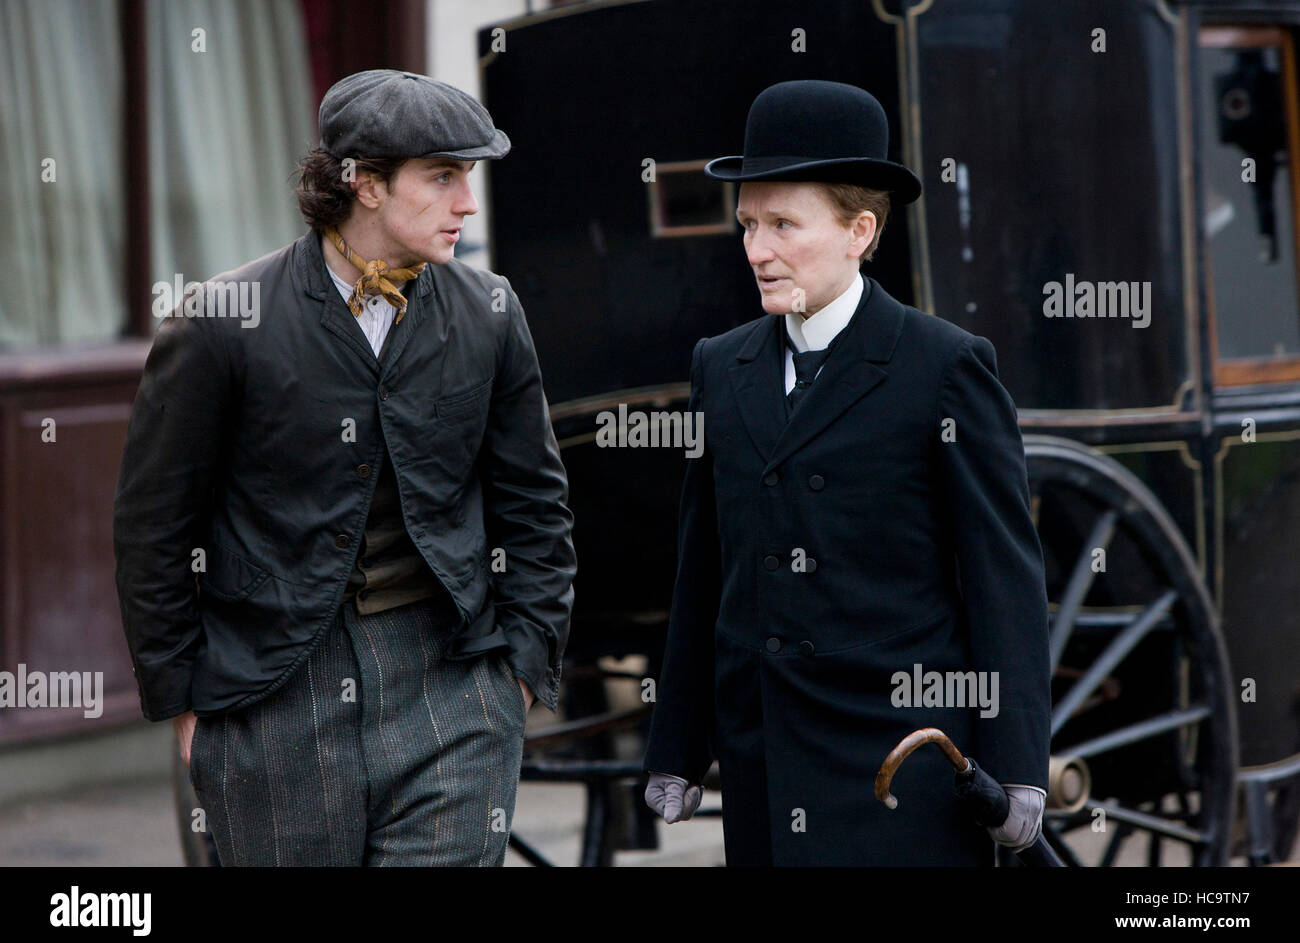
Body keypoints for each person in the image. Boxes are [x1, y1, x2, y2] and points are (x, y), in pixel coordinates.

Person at [113, 70, 576, 866]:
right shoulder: (223, 322)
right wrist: (188, 705)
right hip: (275, 696)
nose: (468, 202)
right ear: (362, 182)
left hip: (453, 684)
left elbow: (535, 503)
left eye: (468, 176)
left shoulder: (489, 312)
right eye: (442, 177)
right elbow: (154, 528)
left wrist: (519, 675)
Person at [641, 80, 1051, 865]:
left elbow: (1005, 578)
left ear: (860, 230)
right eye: (749, 224)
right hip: (765, 757)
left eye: (784, 225)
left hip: (904, 763)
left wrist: (1020, 770)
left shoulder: (945, 367)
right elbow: (703, 569)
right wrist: (678, 742)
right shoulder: (719, 366)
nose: (757, 249)